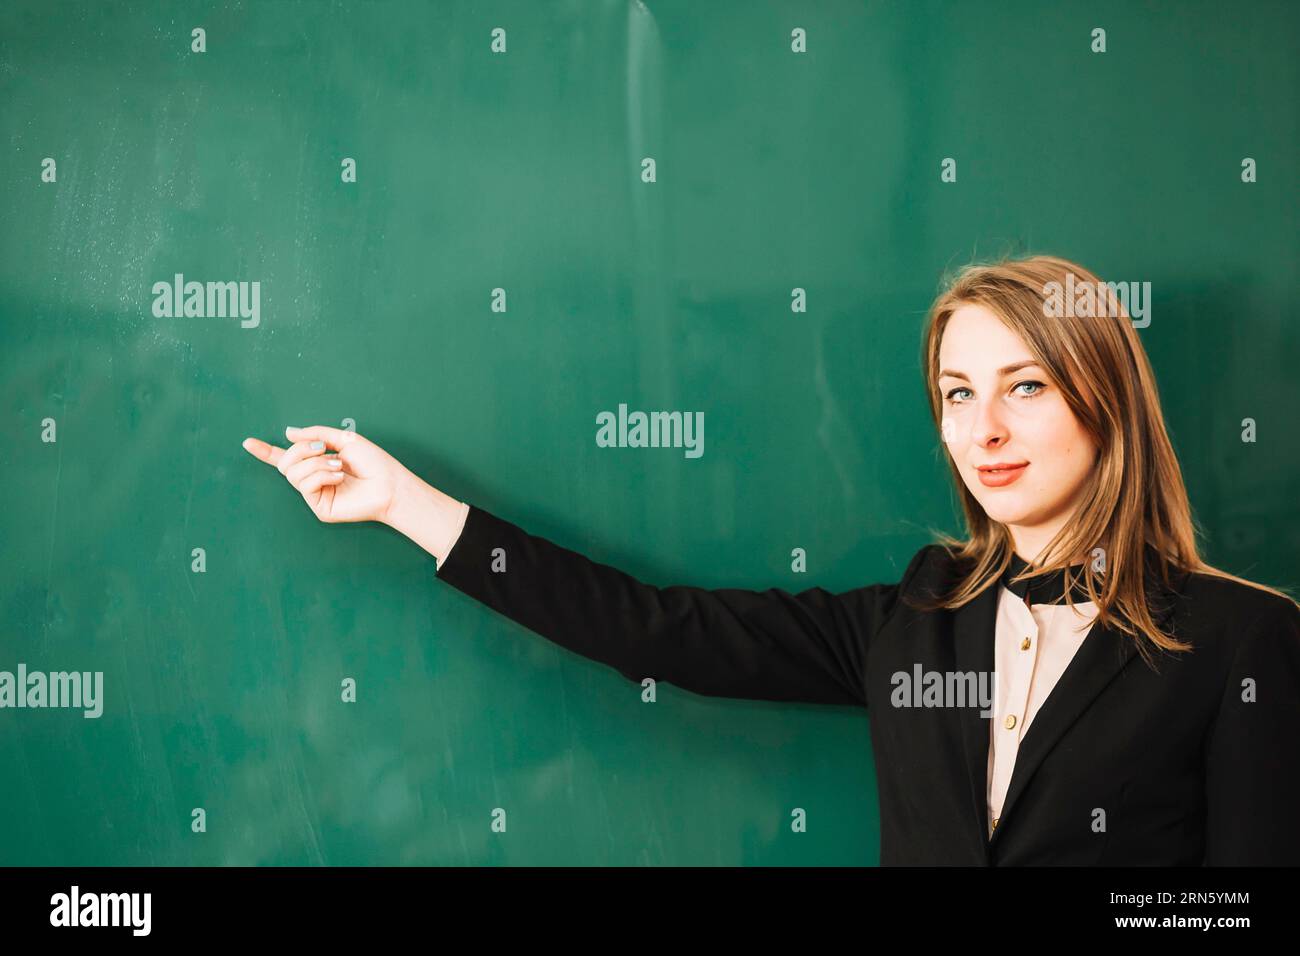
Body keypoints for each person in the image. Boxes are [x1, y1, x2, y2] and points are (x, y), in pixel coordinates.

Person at [241, 254, 1300, 865]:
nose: (984, 428)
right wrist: (411, 507)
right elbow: (656, 628)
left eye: (1023, 384)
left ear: (1101, 397)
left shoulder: (1241, 633)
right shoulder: (909, 618)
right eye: (957, 393)